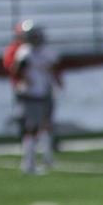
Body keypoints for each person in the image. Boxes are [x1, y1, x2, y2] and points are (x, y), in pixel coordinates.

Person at [10, 20, 62, 175]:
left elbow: (55, 68)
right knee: (31, 128)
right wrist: (24, 76)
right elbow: (17, 71)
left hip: (44, 92)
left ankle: (46, 157)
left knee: (45, 125)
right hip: (31, 95)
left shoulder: (46, 52)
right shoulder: (24, 52)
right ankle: (28, 163)